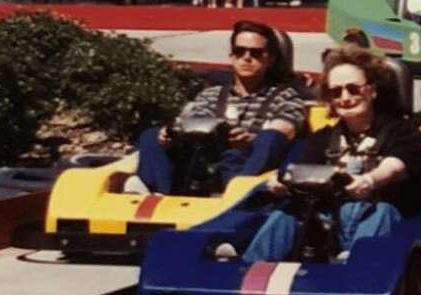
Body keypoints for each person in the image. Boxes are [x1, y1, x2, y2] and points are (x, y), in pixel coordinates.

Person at [236, 46, 421, 264]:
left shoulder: (403, 132)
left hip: (393, 221)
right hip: (333, 223)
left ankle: (359, 269)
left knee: (381, 211)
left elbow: (395, 165)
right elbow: (295, 169)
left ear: (372, 90)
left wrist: (370, 180)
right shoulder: (322, 139)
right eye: (336, 92)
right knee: (288, 213)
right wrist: (280, 182)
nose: (345, 98)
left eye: (353, 89)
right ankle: (248, 270)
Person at [130, 21, 307, 195]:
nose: (247, 57)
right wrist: (170, 135)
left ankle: (240, 195)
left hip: (249, 165)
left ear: (270, 59)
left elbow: (284, 129)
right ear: (231, 56)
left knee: (270, 137)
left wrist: (252, 139)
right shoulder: (211, 95)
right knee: (152, 135)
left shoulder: (286, 96)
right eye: (239, 51)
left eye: (256, 53)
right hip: (207, 162)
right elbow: (196, 120)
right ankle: (162, 194)